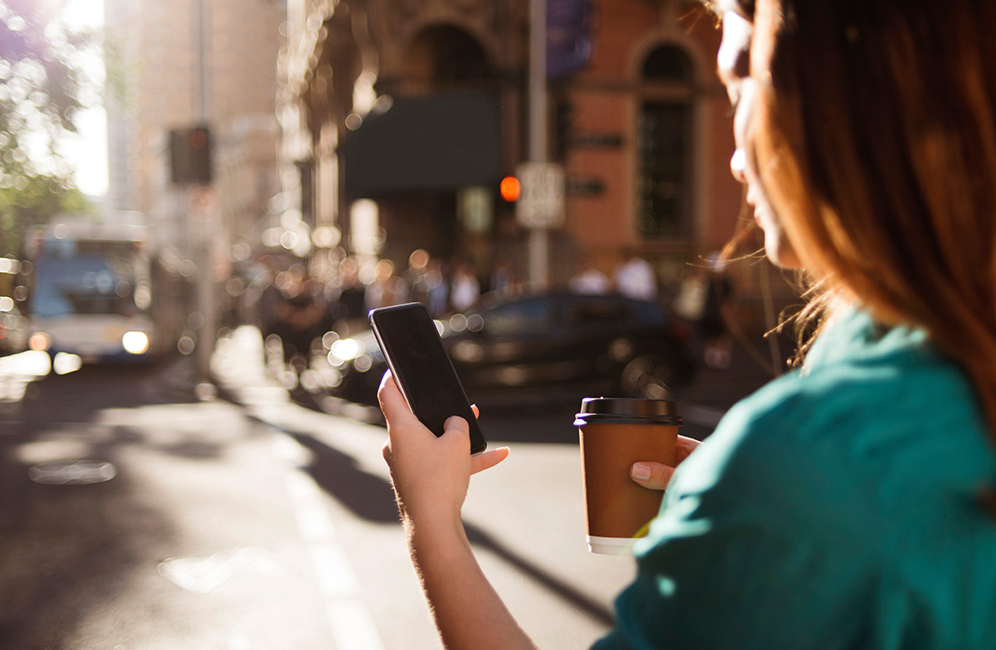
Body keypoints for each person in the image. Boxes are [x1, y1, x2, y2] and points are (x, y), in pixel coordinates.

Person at [377, 0, 996, 648]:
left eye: (740, 79)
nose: (735, 157)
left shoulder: (807, 459)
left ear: (832, 99)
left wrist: (431, 523)